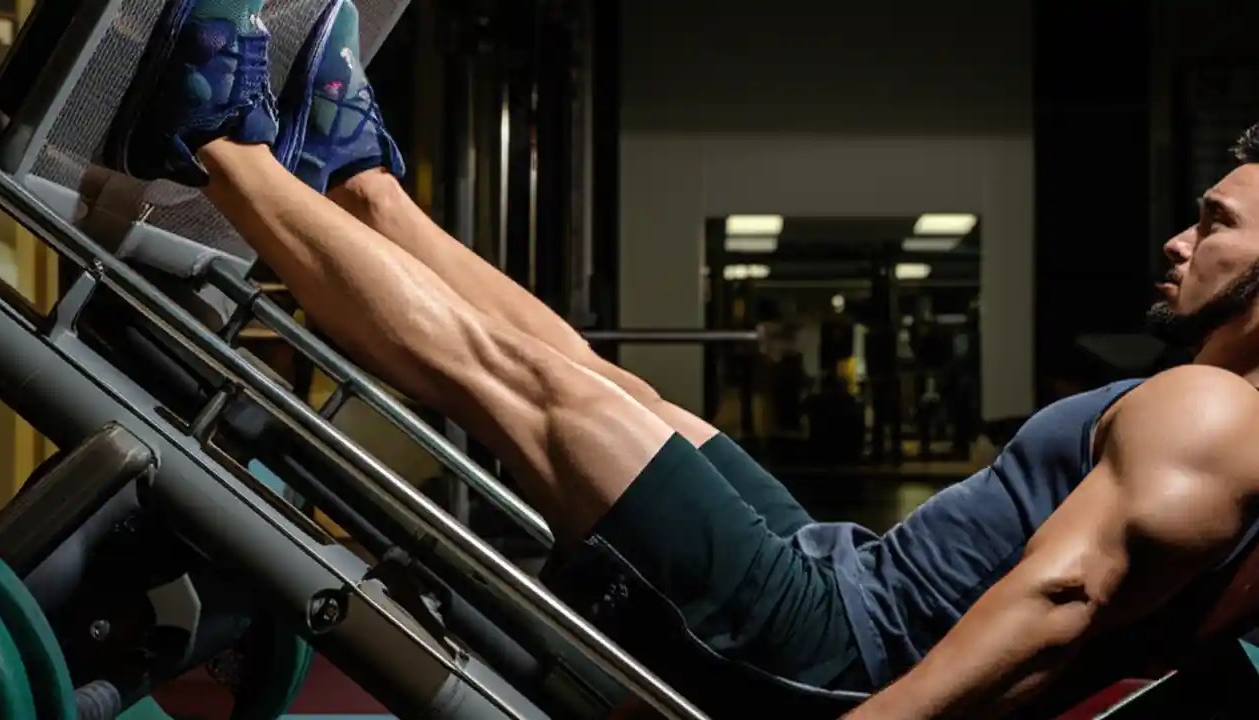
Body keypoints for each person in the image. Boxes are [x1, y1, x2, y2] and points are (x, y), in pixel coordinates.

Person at [105, 0, 1259, 717]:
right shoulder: (1217, 408)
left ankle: (214, 144)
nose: (1177, 239)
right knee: (608, 385)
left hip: (834, 650)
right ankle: (364, 187)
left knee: (530, 390)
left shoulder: (1211, 409)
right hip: (845, 580)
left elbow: (1062, 602)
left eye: (1213, 223)